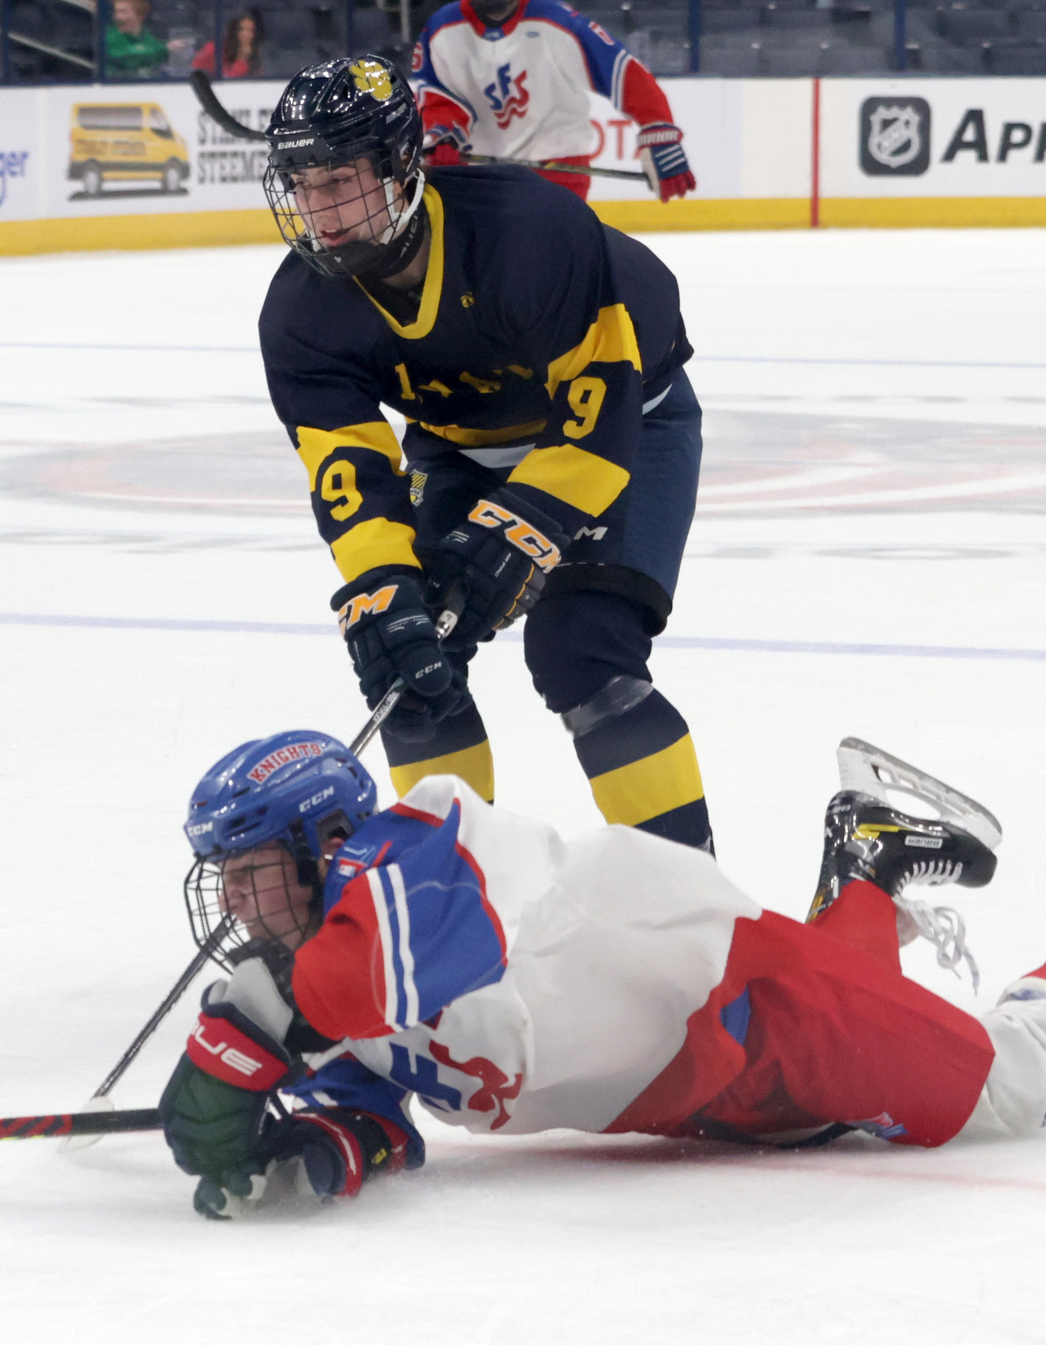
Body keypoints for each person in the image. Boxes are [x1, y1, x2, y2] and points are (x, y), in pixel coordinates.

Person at [158, 731, 1046, 1219]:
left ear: (326, 843)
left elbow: (360, 977)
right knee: (838, 1096)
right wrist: (309, 1156)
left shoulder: (418, 854)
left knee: (1007, 1089)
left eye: (252, 873)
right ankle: (869, 857)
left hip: (749, 1004)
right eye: (227, 879)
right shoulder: (330, 960)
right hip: (688, 1091)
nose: (236, 904)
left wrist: (243, 1032)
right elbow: (370, 1096)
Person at [256, 55, 711, 850]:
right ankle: (448, 894)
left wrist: (518, 528)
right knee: (412, 666)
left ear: (402, 165)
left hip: (629, 425)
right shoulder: (300, 314)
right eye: (302, 185)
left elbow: (598, 419)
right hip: (461, 444)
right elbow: (351, 477)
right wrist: (384, 587)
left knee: (582, 649)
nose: (318, 212)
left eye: (338, 182)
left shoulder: (528, 233)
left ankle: (692, 891)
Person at [411, 0, 693, 202]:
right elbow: (437, 94)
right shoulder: (440, 28)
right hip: (479, 177)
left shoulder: (557, 21)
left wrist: (658, 129)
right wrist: (443, 134)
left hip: (559, 172)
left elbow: (622, 71)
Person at [190, 9, 259, 78]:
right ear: (233, 30)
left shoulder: (256, 54)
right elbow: (195, 72)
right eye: (241, 29)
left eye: (250, 30)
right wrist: (242, 58)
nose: (246, 34)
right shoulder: (214, 49)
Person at [103, 0, 165, 77]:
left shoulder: (147, 36)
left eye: (123, 11)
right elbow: (125, 58)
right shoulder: (109, 36)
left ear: (140, 16)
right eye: (116, 12)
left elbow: (159, 52)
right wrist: (165, 50)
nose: (117, 17)